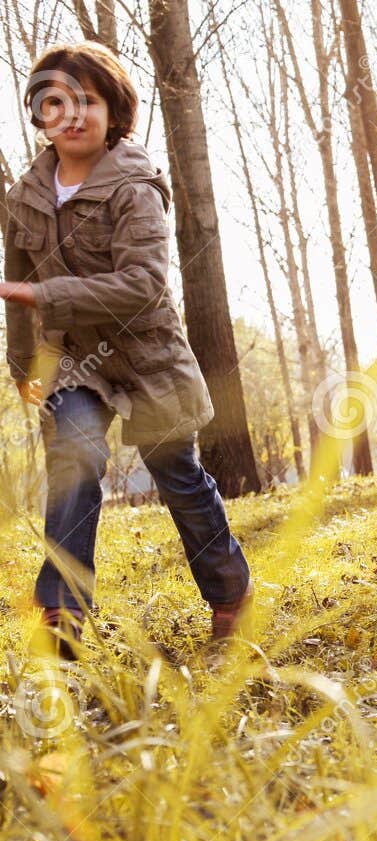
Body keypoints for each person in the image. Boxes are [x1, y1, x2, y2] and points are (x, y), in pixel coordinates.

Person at [2, 42, 252, 659]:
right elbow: (15, 292)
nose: (75, 115)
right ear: (40, 116)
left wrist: (41, 293)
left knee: (178, 477)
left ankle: (231, 600)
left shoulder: (135, 186)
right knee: (75, 467)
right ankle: (61, 621)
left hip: (147, 358)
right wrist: (19, 363)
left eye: (89, 101)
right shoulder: (25, 197)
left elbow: (141, 287)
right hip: (72, 366)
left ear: (115, 112)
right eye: (58, 103)